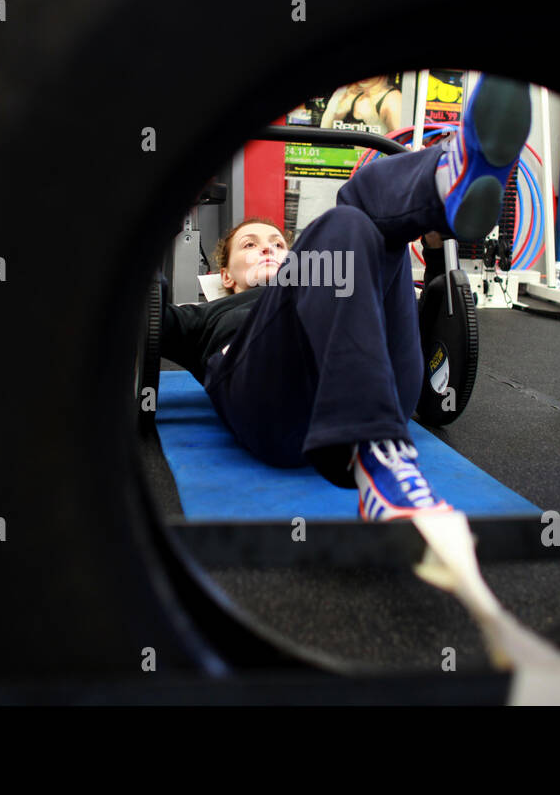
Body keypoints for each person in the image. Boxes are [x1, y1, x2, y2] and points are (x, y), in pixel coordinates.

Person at [159, 75, 532, 521]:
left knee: (355, 219)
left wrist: (436, 254)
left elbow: (423, 337)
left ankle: (445, 182)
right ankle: (373, 449)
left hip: (387, 388)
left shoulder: (329, 280)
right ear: (225, 275)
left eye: (279, 243)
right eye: (250, 245)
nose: (269, 250)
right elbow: (143, 320)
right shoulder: (204, 315)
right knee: (347, 222)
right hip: (276, 409)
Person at [320, 75, 402, 136]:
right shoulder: (349, 93)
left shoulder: (393, 99)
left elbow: (401, 144)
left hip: (377, 158)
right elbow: (324, 133)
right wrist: (333, 109)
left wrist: (372, 119)